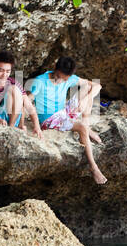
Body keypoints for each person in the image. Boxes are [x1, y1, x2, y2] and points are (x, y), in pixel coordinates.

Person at [29, 56, 107, 184]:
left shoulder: (70, 78)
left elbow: (97, 86)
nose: (60, 81)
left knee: (87, 88)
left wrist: (84, 100)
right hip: (49, 120)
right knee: (81, 128)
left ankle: (86, 124)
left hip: (64, 112)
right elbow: (28, 99)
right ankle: (94, 168)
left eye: (64, 79)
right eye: (58, 76)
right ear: (55, 67)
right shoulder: (40, 80)